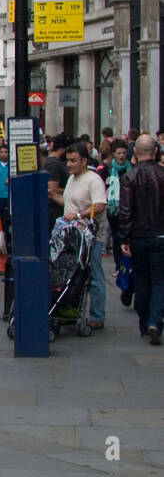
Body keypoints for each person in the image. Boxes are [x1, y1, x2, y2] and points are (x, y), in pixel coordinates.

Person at [119, 135, 164, 344]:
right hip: (160, 234)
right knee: (160, 280)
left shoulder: (130, 177)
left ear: (135, 152)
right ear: (155, 151)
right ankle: (155, 321)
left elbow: (125, 211)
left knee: (142, 279)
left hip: (138, 235)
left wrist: (124, 237)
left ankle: (146, 321)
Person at [58, 141, 107, 329]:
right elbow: (69, 201)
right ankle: (71, 309)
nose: (69, 164)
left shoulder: (93, 180)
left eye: (73, 160)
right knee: (72, 275)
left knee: (94, 275)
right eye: (68, 160)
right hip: (72, 236)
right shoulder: (72, 178)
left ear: (84, 161)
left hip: (90, 237)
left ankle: (97, 316)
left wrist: (79, 215)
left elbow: (100, 205)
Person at [98, 139, 132, 292]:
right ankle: (120, 266)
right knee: (118, 238)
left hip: (128, 209)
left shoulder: (130, 169)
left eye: (124, 153)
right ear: (113, 154)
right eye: (119, 153)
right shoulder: (107, 169)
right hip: (113, 210)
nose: (122, 156)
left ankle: (127, 265)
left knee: (126, 239)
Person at [44, 132, 73, 233]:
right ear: (62, 149)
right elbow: (53, 188)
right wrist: (71, 190)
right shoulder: (54, 165)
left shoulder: (58, 163)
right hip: (55, 209)